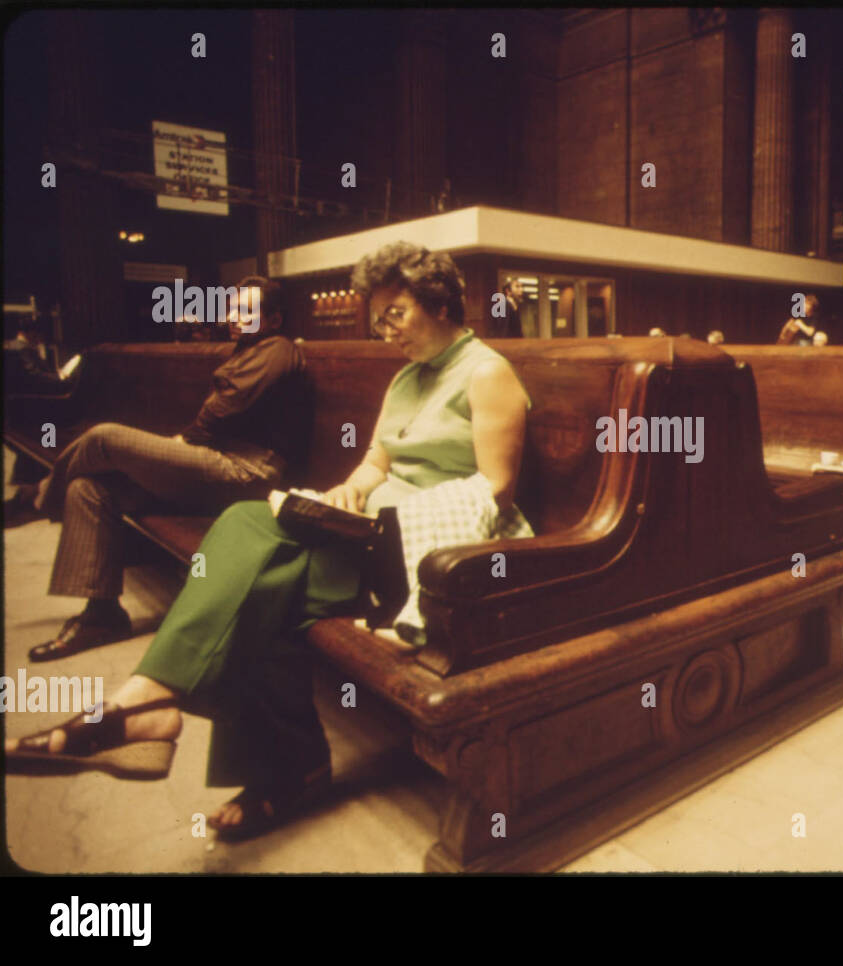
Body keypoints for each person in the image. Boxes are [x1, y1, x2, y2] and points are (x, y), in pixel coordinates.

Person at [6, 244, 535, 843]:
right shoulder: (407, 377)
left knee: (256, 573)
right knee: (247, 533)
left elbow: (494, 489)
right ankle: (189, 720)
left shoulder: (487, 371)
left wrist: (392, 515)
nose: (384, 330)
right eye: (378, 318)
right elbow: (373, 465)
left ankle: (177, 717)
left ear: (439, 303)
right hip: (366, 536)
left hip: (433, 553)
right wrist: (345, 495)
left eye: (395, 314)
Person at [3, 278, 309, 664]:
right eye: (232, 308)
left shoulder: (277, 350)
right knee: (88, 486)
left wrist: (183, 442)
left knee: (105, 438)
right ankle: (102, 615)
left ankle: (38, 498)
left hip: (247, 472)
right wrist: (182, 444)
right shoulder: (248, 349)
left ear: (274, 319)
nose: (233, 316)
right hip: (214, 465)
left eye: (246, 311)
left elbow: (222, 409)